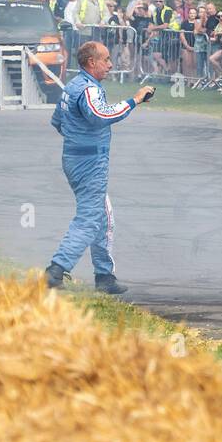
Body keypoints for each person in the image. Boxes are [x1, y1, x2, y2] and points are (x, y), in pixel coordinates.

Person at [44, 42, 155, 294]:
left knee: (103, 216)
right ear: (91, 62)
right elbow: (101, 116)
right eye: (105, 59)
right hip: (89, 162)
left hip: (75, 157)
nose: (110, 64)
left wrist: (76, 138)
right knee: (90, 218)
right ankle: (57, 269)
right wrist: (134, 100)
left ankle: (104, 276)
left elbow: (58, 121)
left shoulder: (71, 86)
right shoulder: (88, 89)